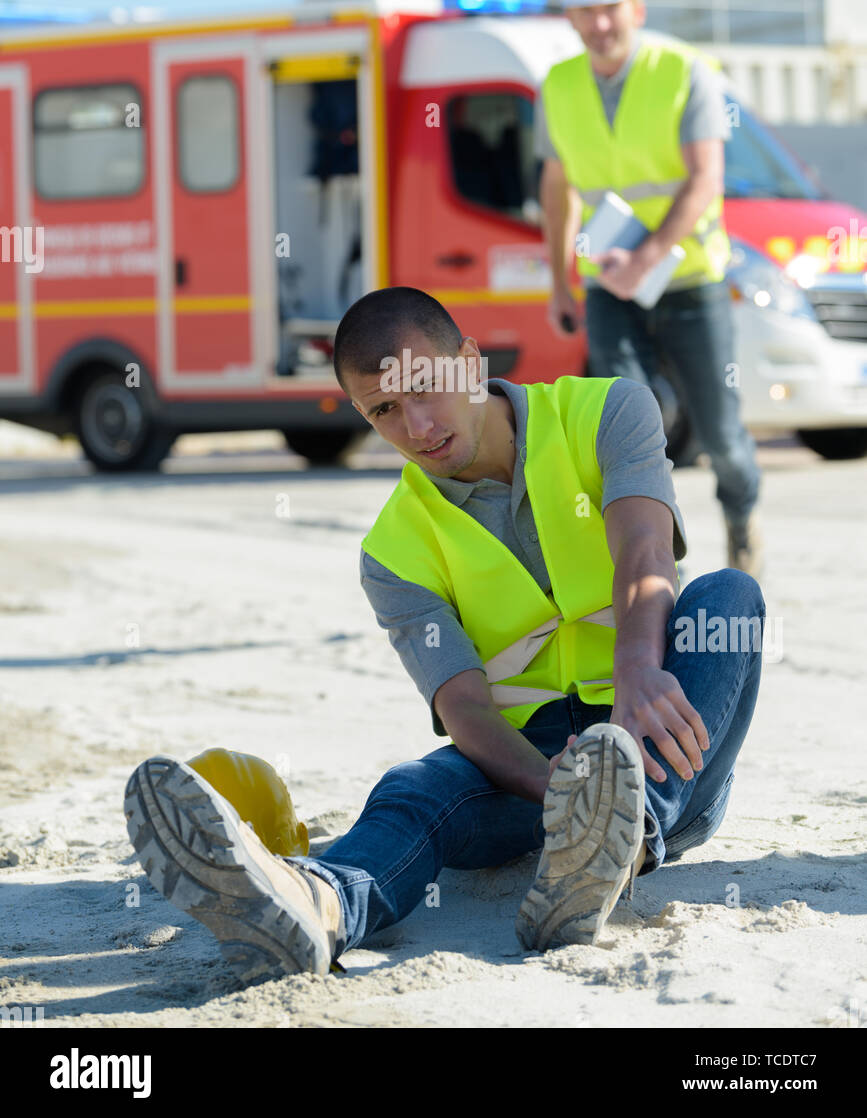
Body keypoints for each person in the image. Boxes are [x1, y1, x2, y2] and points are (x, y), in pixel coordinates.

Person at [125, 287, 765, 987]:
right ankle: (316, 906)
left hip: (663, 745)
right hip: (530, 768)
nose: (418, 425)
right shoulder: (391, 551)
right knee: (416, 786)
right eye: (383, 411)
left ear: (467, 360)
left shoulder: (608, 411)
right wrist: (552, 788)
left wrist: (638, 672)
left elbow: (644, 553)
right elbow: (465, 710)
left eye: (424, 388)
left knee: (726, 598)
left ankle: (628, 835)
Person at [538, 0, 763, 576]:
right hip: (609, 284)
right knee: (629, 426)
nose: (600, 23)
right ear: (571, 18)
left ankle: (742, 517)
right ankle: (655, 558)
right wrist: (559, 281)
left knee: (721, 436)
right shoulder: (556, 87)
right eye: (587, 11)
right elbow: (557, 189)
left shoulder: (686, 70)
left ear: (637, 7)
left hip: (691, 278)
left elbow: (704, 179)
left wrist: (652, 255)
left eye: (612, 7)